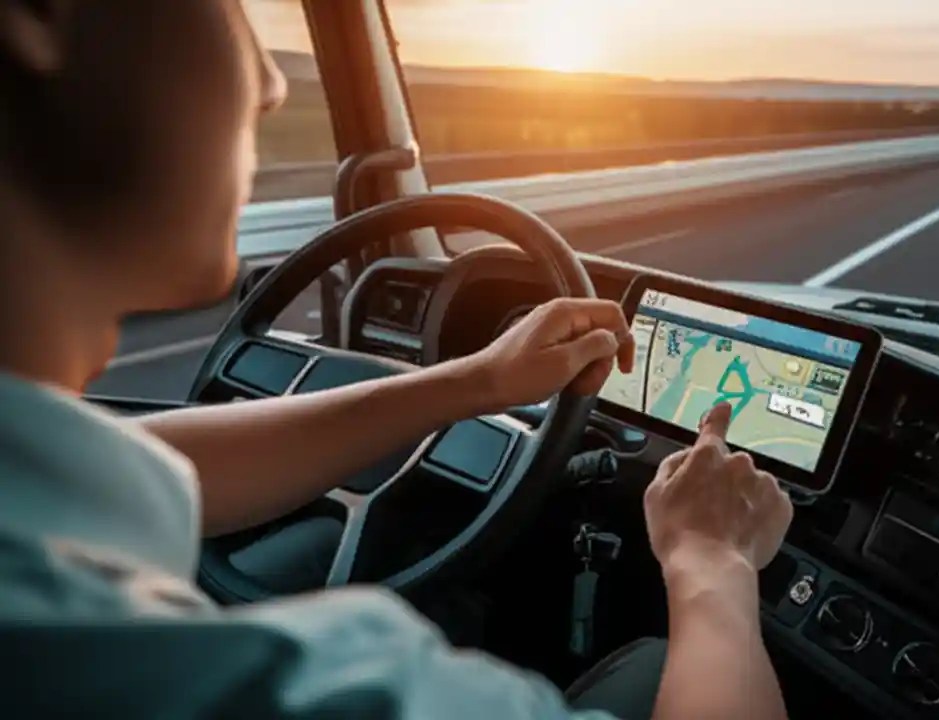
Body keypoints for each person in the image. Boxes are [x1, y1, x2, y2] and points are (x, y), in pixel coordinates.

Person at [0, 2, 794, 718]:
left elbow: (160, 466)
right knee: (661, 660)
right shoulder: (293, 688)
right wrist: (710, 561)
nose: (274, 84)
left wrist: (475, 383)